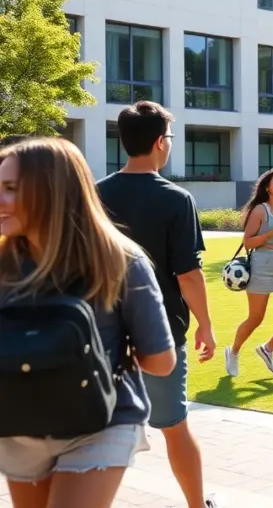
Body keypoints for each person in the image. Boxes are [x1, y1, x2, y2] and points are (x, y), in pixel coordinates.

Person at [0, 138, 178, 508]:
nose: (0, 199)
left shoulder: (120, 261)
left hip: (102, 426)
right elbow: (159, 360)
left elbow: (163, 365)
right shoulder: (123, 261)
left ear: (51, 190)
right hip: (18, 426)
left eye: (11, 189)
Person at [95, 101, 218, 508]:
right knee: (174, 426)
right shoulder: (176, 199)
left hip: (102, 337)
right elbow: (188, 275)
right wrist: (206, 324)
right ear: (160, 143)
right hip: (160, 335)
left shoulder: (96, 194)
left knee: (100, 435)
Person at [225, 169, 273, 377]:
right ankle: (233, 352)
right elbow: (248, 242)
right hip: (263, 264)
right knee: (256, 318)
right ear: (267, 187)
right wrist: (272, 231)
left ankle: (268, 349)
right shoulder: (261, 210)